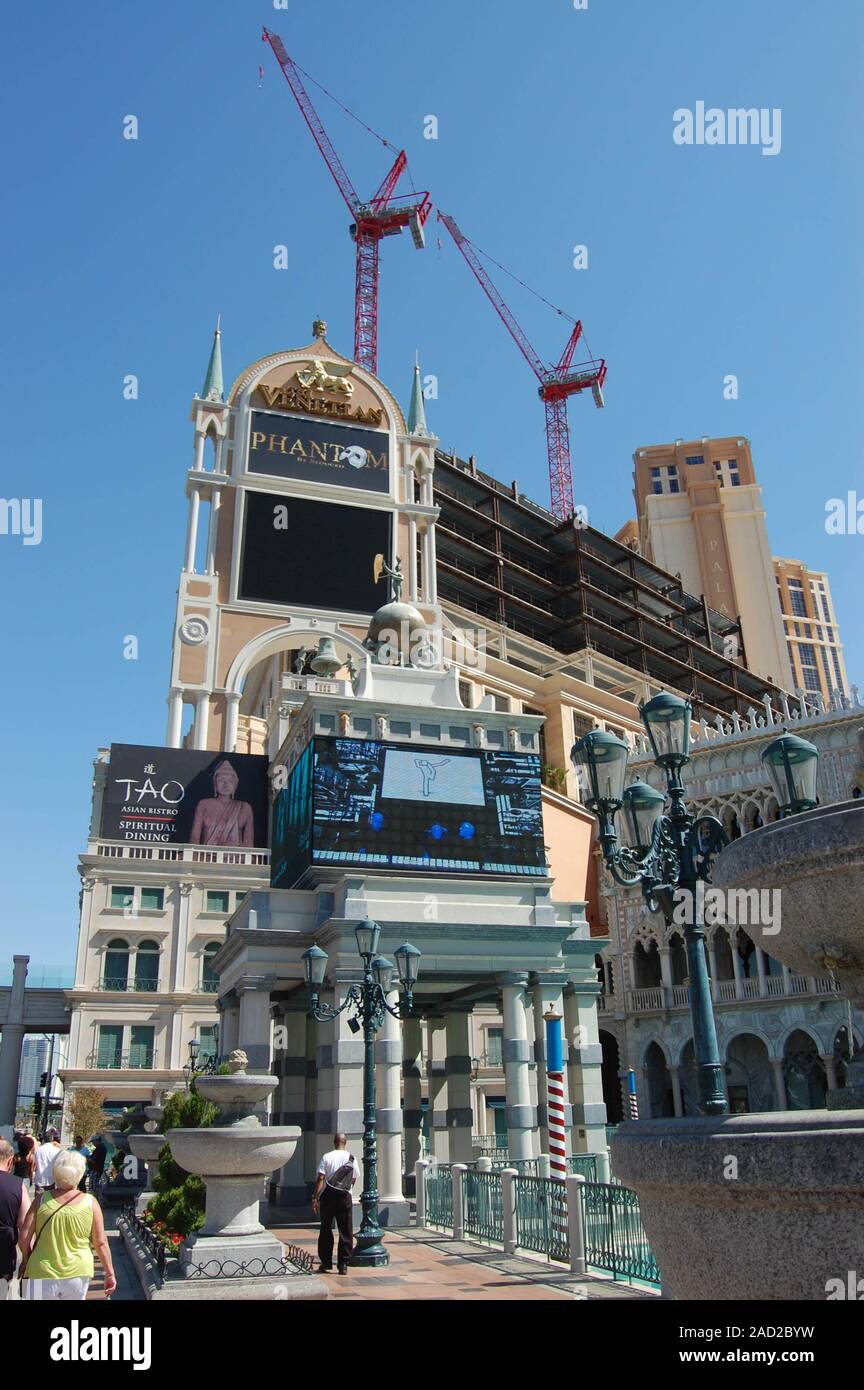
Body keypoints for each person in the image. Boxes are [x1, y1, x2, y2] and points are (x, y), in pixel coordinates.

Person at [18, 1149, 116, 1301]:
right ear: (80, 1174)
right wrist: (109, 1272)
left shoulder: (41, 1200)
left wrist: (26, 1259)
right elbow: (101, 1242)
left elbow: (24, 1238)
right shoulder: (90, 1202)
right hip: (77, 1271)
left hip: (41, 1269)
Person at [312, 1132, 359, 1275]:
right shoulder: (351, 1158)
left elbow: (321, 1178)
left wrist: (315, 1197)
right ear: (345, 1142)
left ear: (334, 1142)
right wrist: (347, 1189)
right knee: (345, 1230)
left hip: (328, 1197)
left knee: (326, 1229)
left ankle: (326, 1262)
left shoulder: (327, 1157)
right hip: (345, 1197)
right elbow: (354, 1178)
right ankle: (343, 1264)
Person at [190, 759, 254, 847]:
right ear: (215, 784)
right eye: (221, 780)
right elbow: (194, 839)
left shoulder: (244, 807)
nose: (225, 785)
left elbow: (248, 843)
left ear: (235, 785)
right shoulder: (204, 804)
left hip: (234, 855)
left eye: (230, 781)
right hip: (208, 854)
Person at [0, 1138, 31, 1299]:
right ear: (10, 1160)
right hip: (4, 1253)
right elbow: (25, 1225)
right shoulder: (17, 1185)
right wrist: (26, 1259)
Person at [33, 1129, 61, 1195]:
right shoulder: (56, 1150)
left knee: (38, 1199)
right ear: (52, 1139)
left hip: (39, 1178)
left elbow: (35, 1164)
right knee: (49, 1199)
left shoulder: (38, 1150)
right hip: (51, 1179)